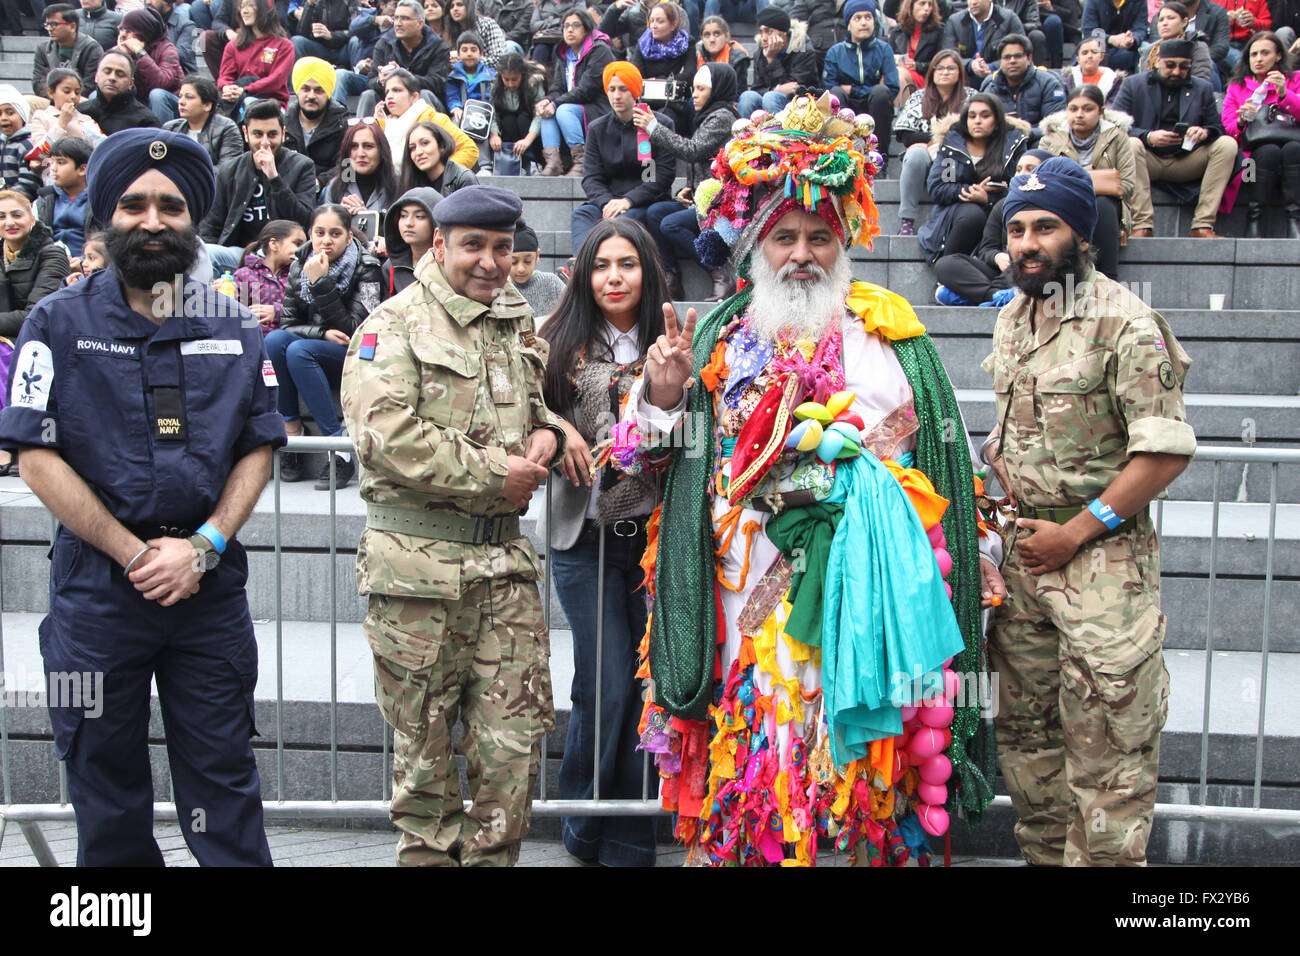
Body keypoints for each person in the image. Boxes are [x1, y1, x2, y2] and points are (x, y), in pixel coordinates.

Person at [620, 93, 1005, 866]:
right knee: (748, 778)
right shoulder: (718, 336)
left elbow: (946, 457)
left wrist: (973, 545)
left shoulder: (891, 334)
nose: (801, 254)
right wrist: (662, 396)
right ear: (756, 247)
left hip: (869, 595)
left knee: (871, 781)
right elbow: (645, 460)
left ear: (844, 244)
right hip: (745, 590)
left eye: (819, 238)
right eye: (784, 237)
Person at [0, 127, 285, 866]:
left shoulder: (232, 324)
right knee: (102, 781)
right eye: (133, 204)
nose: (153, 220)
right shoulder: (54, 323)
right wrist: (136, 555)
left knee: (223, 784)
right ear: (105, 216)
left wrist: (203, 546)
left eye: (172, 206)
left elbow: (258, 443)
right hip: (95, 596)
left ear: (195, 220)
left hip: (208, 591)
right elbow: (35, 453)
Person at [340, 185, 566, 867]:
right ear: (438, 245)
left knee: (512, 754)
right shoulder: (393, 325)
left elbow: (530, 411)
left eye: (502, 248)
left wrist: (549, 435)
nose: (491, 262)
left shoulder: (513, 324)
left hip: (504, 571)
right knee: (425, 765)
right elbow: (385, 436)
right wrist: (498, 474)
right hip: (419, 578)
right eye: (474, 245)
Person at [983, 155, 1195, 866]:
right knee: (1030, 758)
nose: (1028, 243)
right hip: (1025, 570)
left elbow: (1163, 452)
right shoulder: (1014, 316)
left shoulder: (1127, 323)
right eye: (1016, 229)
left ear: (1081, 233)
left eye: (1046, 227)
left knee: (1108, 773)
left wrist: (1076, 531)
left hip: (1101, 569)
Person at [540, 217, 667, 868]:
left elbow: (696, 432)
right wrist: (561, 432)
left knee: (646, 686)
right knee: (609, 683)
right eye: (600, 265)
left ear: (647, 271)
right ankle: (585, 819)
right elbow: (522, 413)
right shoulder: (557, 340)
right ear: (584, 275)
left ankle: (627, 835)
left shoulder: (674, 342)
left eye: (627, 264)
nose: (614, 277)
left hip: (650, 540)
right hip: (583, 539)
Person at [265, 204, 381, 488]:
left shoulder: (368, 268)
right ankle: (291, 428)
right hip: (316, 347)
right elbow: (287, 324)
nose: (326, 240)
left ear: (349, 237)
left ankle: (338, 448)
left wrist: (321, 283)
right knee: (274, 342)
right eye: (319, 233)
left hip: (357, 355)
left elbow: (356, 330)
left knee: (298, 350)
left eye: (335, 233)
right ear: (310, 234)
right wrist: (320, 333)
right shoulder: (299, 264)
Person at [1116, 38, 1237, 238]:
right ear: (1157, 62)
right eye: (1170, 65)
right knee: (1130, 143)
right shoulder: (1133, 84)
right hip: (1147, 159)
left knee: (1227, 144)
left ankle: (1202, 225)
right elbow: (1115, 126)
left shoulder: (1202, 88)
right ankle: (1142, 224)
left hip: (1187, 159)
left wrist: (1204, 132)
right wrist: (1148, 136)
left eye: (1183, 67)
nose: (1176, 72)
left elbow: (1217, 128)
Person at [642, 62, 740, 301]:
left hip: (720, 204)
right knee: (655, 212)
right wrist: (691, 188)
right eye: (694, 88)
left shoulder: (723, 117)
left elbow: (693, 150)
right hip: (701, 197)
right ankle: (670, 277)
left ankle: (720, 273)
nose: (694, 95)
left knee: (670, 225)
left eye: (701, 89)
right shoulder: (707, 116)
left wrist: (653, 127)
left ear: (716, 90)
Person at [201, 98, 319, 272]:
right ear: (245, 133)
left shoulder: (303, 166)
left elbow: (305, 220)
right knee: (206, 254)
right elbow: (212, 223)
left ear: (283, 133)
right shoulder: (229, 170)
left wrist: (274, 178)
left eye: (272, 134)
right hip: (242, 253)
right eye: (258, 134)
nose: (265, 143)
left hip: (287, 253)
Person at [570, 63, 677, 255]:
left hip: (645, 202)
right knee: (582, 214)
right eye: (612, 89)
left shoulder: (658, 125)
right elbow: (591, 177)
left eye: (623, 89)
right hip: (609, 202)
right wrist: (606, 203)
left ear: (635, 91)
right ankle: (580, 265)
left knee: (624, 220)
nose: (616, 96)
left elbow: (660, 176)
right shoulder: (597, 129)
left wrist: (629, 200)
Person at [1038, 84, 1138, 276]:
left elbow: (1126, 185)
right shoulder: (1051, 139)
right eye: (1073, 109)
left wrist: (1074, 181)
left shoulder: (1118, 137)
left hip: (1107, 205)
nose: (1079, 115)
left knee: (1101, 204)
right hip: (1062, 204)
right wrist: (1096, 179)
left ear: (1101, 112)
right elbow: (1044, 183)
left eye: (1088, 109)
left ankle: (1108, 277)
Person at [919, 92, 1029, 262]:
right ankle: (948, 270)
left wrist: (988, 198)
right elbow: (938, 187)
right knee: (972, 214)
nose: (977, 121)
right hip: (956, 213)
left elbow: (1022, 187)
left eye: (985, 116)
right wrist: (971, 191)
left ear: (997, 120)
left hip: (1001, 211)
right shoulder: (953, 145)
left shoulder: (1012, 145)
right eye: (972, 116)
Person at [933, 146, 1048, 303]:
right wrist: (997, 257)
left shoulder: (1052, 210)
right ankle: (996, 296)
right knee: (946, 264)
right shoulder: (1002, 205)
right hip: (1002, 271)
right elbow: (986, 250)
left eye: (1030, 169)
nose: (1021, 174)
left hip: (1033, 268)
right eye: (1019, 169)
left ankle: (977, 296)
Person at [1221, 30, 1300, 236]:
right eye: (1254, 54)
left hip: (1293, 149)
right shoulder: (1237, 87)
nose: (1258, 59)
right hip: (1253, 159)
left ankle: (1294, 221)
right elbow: (1229, 132)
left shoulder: (1295, 79)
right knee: (1269, 151)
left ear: (1278, 56)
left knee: (1293, 149)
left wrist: (1284, 93)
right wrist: (1242, 120)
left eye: (1265, 53)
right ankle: (1254, 220)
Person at [895, 49, 975, 235]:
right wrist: (933, 142)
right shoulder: (918, 97)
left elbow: (973, 133)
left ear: (960, 72)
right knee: (915, 155)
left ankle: (946, 217)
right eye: (939, 68)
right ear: (931, 72)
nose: (945, 72)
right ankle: (907, 221)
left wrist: (939, 143)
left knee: (950, 156)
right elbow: (907, 135)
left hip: (958, 156)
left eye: (950, 68)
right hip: (924, 156)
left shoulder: (971, 97)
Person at [536, 10, 617, 179]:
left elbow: (587, 89)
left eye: (575, 25)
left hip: (598, 107)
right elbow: (558, 87)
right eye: (566, 26)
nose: (570, 30)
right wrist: (547, 100)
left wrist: (556, 103)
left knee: (563, 110)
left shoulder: (599, 50)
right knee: (545, 113)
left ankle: (581, 163)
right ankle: (553, 163)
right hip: (572, 104)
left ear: (586, 29)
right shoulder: (564, 53)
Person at [338, 0, 453, 110]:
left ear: (420, 23)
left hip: (425, 103)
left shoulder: (438, 46)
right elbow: (370, 80)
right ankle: (363, 129)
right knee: (369, 95)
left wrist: (403, 77)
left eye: (405, 18)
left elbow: (437, 83)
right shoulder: (384, 43)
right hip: (391, 101)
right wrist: (381, 81)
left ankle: (425, 131)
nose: (398, 23)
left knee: (424, 94)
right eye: (396, 18)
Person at [823, 0, 900, 164]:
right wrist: (862, 90)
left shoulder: (884, 49)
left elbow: (892, 87)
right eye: (857, 18)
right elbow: (829, 88)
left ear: (874, 21)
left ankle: (879, 160)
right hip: (847, 106)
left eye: (868, 17)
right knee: (837, 93)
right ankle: (842, 159)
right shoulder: (835, 53)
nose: (864, 22)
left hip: (875, 107)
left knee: (881, 93)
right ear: (848, 24)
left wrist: (854, 90)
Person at [377, 70, 480, 174]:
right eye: (387, 92)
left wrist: (441, 173)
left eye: (397, 90)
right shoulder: (384, 125)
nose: (389, 96)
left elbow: (469, 150)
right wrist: (377, 126)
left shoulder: (434, 120)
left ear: (414, 97)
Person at [979, 32, 1065, 142]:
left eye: (1018, 56)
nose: (1012, 61)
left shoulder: (1048, 83)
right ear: (1000, 61)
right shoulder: (990, 85)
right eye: (1007, 57)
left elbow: (1054, 127)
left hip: (1036, 144)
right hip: (998, 145)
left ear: (1029, 58)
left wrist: (1023, 133)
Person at [216, 0, 296, 114]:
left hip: (272, 103)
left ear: (264, 10)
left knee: (249, 103)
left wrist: (246, 90)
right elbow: (224, 77)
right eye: (242, 7)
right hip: (238, 100)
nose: (244, 11)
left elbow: (276, 80)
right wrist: (226, 87)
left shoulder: (284, 45)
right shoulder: (233, 46)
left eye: (250, 6)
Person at [29, 69, 106, 187]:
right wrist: (62, 122)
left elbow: (101, 147)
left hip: (84, 181)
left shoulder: (86, 120)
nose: (73, 97)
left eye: (77, 92)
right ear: (51, 92)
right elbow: (39, 153)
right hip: (53, 181)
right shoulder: (42, 117)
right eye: (66, 91)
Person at [488, 53, 562, 174]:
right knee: (508, 120)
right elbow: (492, 112)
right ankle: (510, 160)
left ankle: (531, 160)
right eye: (506, 79)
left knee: (522, 119)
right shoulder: (495, 85)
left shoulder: (534, 82)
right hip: (506, 127)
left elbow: (539, 114)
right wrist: (494, 134)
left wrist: (527, 140)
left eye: (514, 79)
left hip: (529, 127)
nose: (511, 84)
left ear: (522, 74)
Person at [739, 6, 819, 116]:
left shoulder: (803, 50)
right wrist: (776, 89)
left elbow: (795, 89)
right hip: (771, 97)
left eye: (769, 32)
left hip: (800, 106)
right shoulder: (761, 52)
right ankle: (745, 132)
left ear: (783, 33)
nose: (764, 38)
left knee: (770, 98)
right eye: (761, 32)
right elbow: (757, 89)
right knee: (747, 97)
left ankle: (779, 133)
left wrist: (772, 61)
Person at [283, 58, 349, 190]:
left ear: (328, 94)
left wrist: (320, 182)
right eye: (306, 89)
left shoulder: (342, 125)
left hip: (326, 191)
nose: (311, 96)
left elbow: (348, 169)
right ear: (297, 91)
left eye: (319, 91)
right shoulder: (283, 123)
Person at [628, 2, 695, 130]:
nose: (654, 26)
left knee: (666, 118)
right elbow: (636, 75)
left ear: (673, 24)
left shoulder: (687, 43)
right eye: (652, 21)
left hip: (676, 104)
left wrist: (656, 80)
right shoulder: (643, 44)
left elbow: (689, 75)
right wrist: (671, 78)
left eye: (660, 21)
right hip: (646, 102)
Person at [232, 217, 307, 332]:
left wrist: (277, 312)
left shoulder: (300, 275)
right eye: (297, 244)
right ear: (273, 244)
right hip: (253, 338)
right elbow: (239, 314)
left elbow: (306, 312)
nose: (302, 250)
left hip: (285, 338)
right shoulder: (245, 275)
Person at [116, 6, 185, 122]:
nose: (122, 35)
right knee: (97, 95)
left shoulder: (167, 49)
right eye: (121, 29)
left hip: (168, 104)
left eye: (128, 31)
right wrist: (121, 56)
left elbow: (162, 83)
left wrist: (140, 54)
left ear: (143, 32)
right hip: (138, 103)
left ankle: (162, 139)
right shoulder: (121, 49)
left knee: (157, 95)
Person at [163, 75, 247, 168]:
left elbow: (227, 171)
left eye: (189, 97)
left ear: (207, 105)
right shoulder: (171, 128)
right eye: (180, 96)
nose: (181, 102)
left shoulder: (226, 128)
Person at [941, 0, 1026, 86]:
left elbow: (1020, 54)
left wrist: (992, 67)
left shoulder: (1009, 19)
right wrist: (970, 65)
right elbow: (948, 54)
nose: (973, 2)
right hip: (965, 78)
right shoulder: (954, 21)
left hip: (1000, 78)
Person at [34, 137, 94, 257]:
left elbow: (106, 240)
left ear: (82, 169)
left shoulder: (98, 200)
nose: (53, 168)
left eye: (61, 162)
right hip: (51, 264)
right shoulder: (45, 199)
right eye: (52, 162)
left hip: (89, 266)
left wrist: (83, 261)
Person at [322, 120, 397, 213]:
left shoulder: (399, 185)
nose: (360, 154)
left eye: (368, 146)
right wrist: (340, 217)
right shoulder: (335, 187)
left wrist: (367, 218)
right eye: (354, 146)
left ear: (382, 151)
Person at [82, 49, 164, 134]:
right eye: (107, 72)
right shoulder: (81, 112)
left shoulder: (146, 122)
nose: (112, 78)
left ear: (131, 83)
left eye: (120, 74)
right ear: (96, 77)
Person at [33, 3, 104, 99]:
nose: (49, 29)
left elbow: (90, 85)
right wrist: (56, 99)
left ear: (72, 27)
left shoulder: (91, 48)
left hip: (79, 100)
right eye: (47, 24)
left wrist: (66, 98)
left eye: (54, 24)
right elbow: (38, 83)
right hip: (51, 100)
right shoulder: (43, 49)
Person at [379, 186, 438, 295]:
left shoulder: (450, 266)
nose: (408, 223)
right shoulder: (391, 267)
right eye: (403, 215)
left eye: (419, 216)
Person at [400, 118, 481, 194]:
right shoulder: (410, 182)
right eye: (412, 148)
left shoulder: (463, 179)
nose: (418, 152)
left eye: (425, 143)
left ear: (442, 145)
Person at [510, 221, 565, 315]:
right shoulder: (499, 287)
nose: (521, 269)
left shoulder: (552, 283)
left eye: (527, 261)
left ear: (537, 256)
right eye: (513, 262)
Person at [889, 0, 946, 92]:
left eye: (930, 4)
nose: (927, 8)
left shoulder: (939, 30)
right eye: (922, 3)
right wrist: (896, 59)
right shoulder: (897, 31)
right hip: (901, 76)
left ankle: (903, 106)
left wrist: (918, 66)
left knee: (898, 74)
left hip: (926, 78)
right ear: (910, 6)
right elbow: (888, 59)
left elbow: (942, 61)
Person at [0, 88, 42, 204]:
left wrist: (6, 199)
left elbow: (29, 183)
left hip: (19, 203)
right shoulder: (1, 142)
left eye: (10, 112)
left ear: (22, 115)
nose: (3, 117)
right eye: (0, 113)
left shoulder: (27, 145)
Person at [1081, 0, 1148, 72]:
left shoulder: (1140, 1)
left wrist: (1132, 39)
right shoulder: (1093, 1)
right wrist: (1111, 39)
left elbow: (1140, 29)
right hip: (1101, 50)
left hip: (1127, 49)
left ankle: (1141, 82)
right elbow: (1089, 31)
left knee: (1145, 48)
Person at [446, 31, 496, 125]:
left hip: (483, 114)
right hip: (462, 113)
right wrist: (455, 108)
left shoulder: (489, 76)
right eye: (464, 50)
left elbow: (491, 100)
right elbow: (452, 96)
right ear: (458, 54)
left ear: (481, 54)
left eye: (473, 50)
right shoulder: (454, 76)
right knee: (455, 124)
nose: (469, 54)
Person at [446, 0, 512, 66]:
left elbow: (499, 59)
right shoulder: (451, 30)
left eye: (459, 5)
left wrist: (467, 61)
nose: (455, 9)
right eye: (451, 7)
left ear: (469, 6)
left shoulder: (487, 24)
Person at [697, 16, 752, 95]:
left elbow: (739, 92)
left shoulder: (738, 59)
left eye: (716, 34)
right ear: (702, 38)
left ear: (727, 37)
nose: (712, 40)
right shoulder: (696, 57)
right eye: (707, 35)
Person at [1061, 35, 1122, 104]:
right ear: (1078, 59)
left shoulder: (1114, 81)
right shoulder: (1066, 80)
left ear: (1101, 56)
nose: (1090, 56)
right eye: (1085, 53)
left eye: (1094, 52)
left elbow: (1113, 106)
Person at [145, 0, 201, 74]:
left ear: (167, 2)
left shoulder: (186, 26)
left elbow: (179, 56)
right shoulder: (144, 23)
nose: (148, 2)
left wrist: (142, 52)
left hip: (180, 77)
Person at [289, 0, 351, 66]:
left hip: (344, 49)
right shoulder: (316, 2)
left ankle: (357, 72)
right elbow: (302, 33)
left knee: (356, 40)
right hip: (322, 49)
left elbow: (355, 31)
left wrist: (331, 35)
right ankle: (300, 75)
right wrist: (309, 5)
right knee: (296, 41)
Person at [531, 0, 585, 64]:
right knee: (540, 50)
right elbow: (534, 25)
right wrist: (556, 21)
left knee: (558, 50)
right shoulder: (542, 3)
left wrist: (548, 23)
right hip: (544, 38)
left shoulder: (577, 1)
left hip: (566, 38)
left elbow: (579, 19)